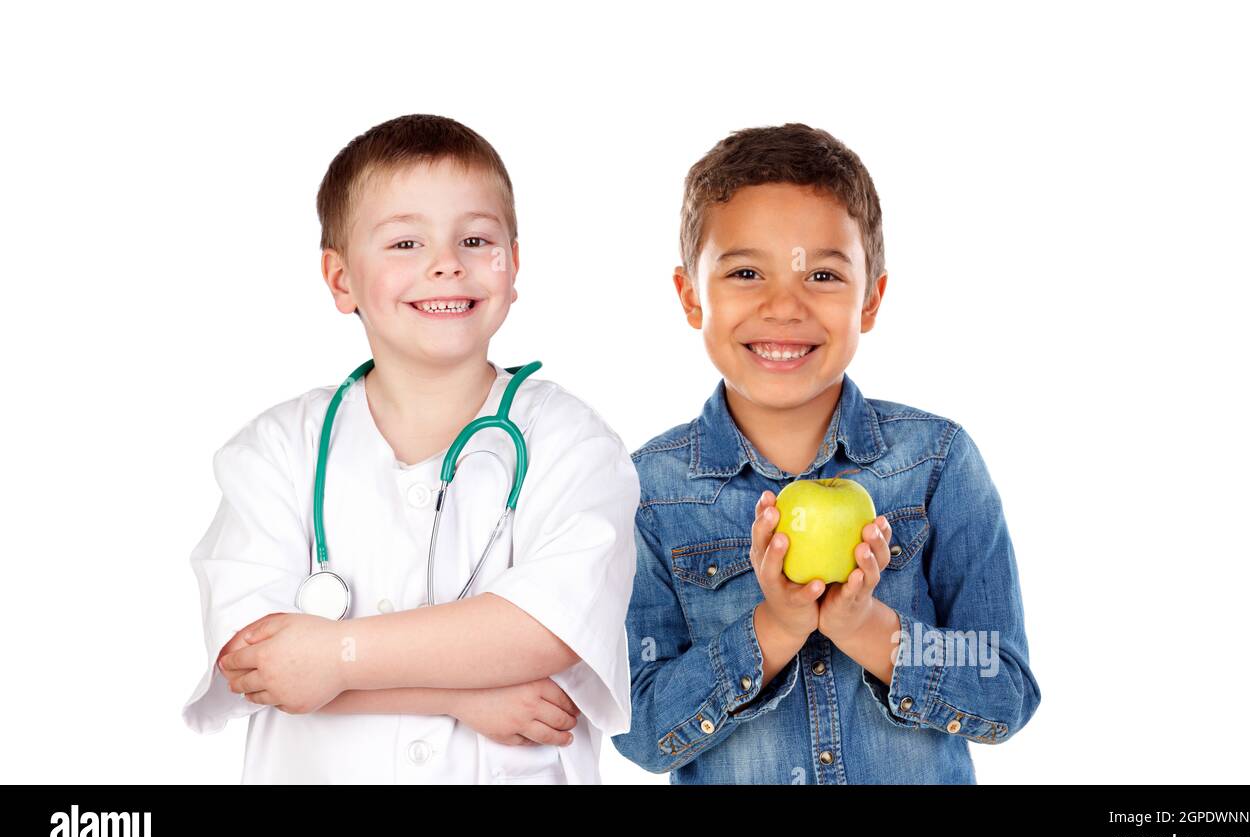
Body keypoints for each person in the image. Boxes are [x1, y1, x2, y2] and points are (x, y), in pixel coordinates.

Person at [181, 114, 640, 784]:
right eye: (404, 242)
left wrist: (332, 658)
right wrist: (459, 693)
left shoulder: (573, 443)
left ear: (514, 267)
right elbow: (255, 662)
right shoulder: (277, 450)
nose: (445, 262)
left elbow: (543, 629)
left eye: (475, 238)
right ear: (340, 280)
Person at [611, 123, 1041, 783]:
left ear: (871, 297)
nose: (784, 305)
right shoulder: (650, 491)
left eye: (823, 273)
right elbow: (640, 729)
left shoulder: (935, 463)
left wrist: (871, 630)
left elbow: (1005, 689)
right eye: (747, 271)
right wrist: (771, 630)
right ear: (691, 294)